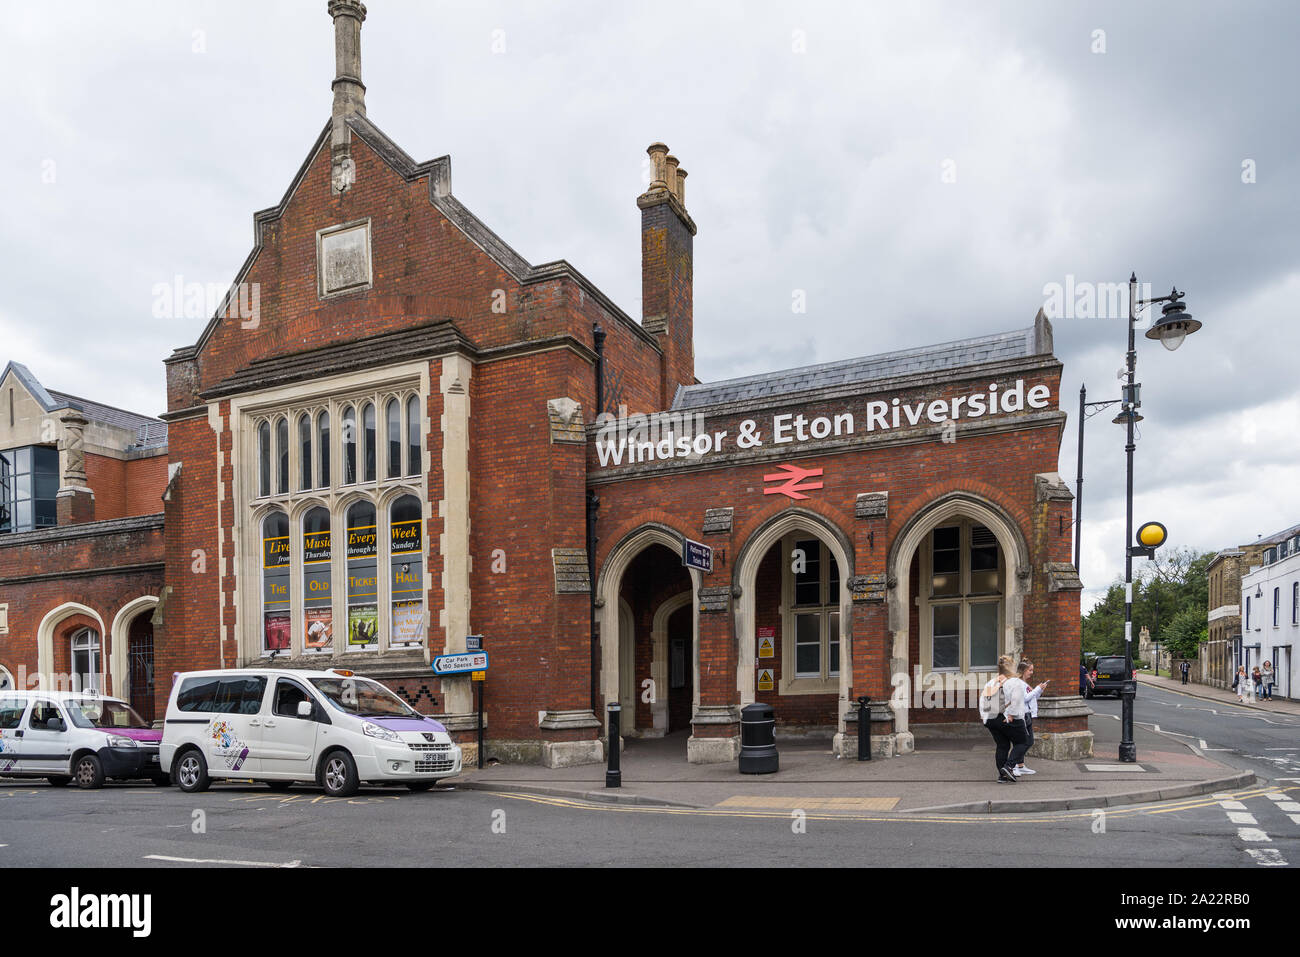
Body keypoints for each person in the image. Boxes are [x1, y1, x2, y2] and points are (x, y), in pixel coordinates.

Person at [980, 656, 1021, 783]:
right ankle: (1009, 767)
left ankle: (1002, 775)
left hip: (989, 719)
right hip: (1001, 717)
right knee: (1022, 742)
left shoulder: (991, 682)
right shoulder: (1011, 682)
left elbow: (983, 699)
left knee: (1002, 745)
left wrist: (984, 717)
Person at [1013, 660, 1049, 776]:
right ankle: (1013, 765)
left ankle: (1020, 765)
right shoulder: (1018, 683)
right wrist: (1037, 689)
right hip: (1022, 715)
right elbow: (1024, 698)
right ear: (1023, 671)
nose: (1032, 673)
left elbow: (1032, 698)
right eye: (1030, 670)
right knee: (1024, 742)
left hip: (1027, 715)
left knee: (1029, 741)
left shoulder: (1025, 684)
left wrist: (1039, 691)